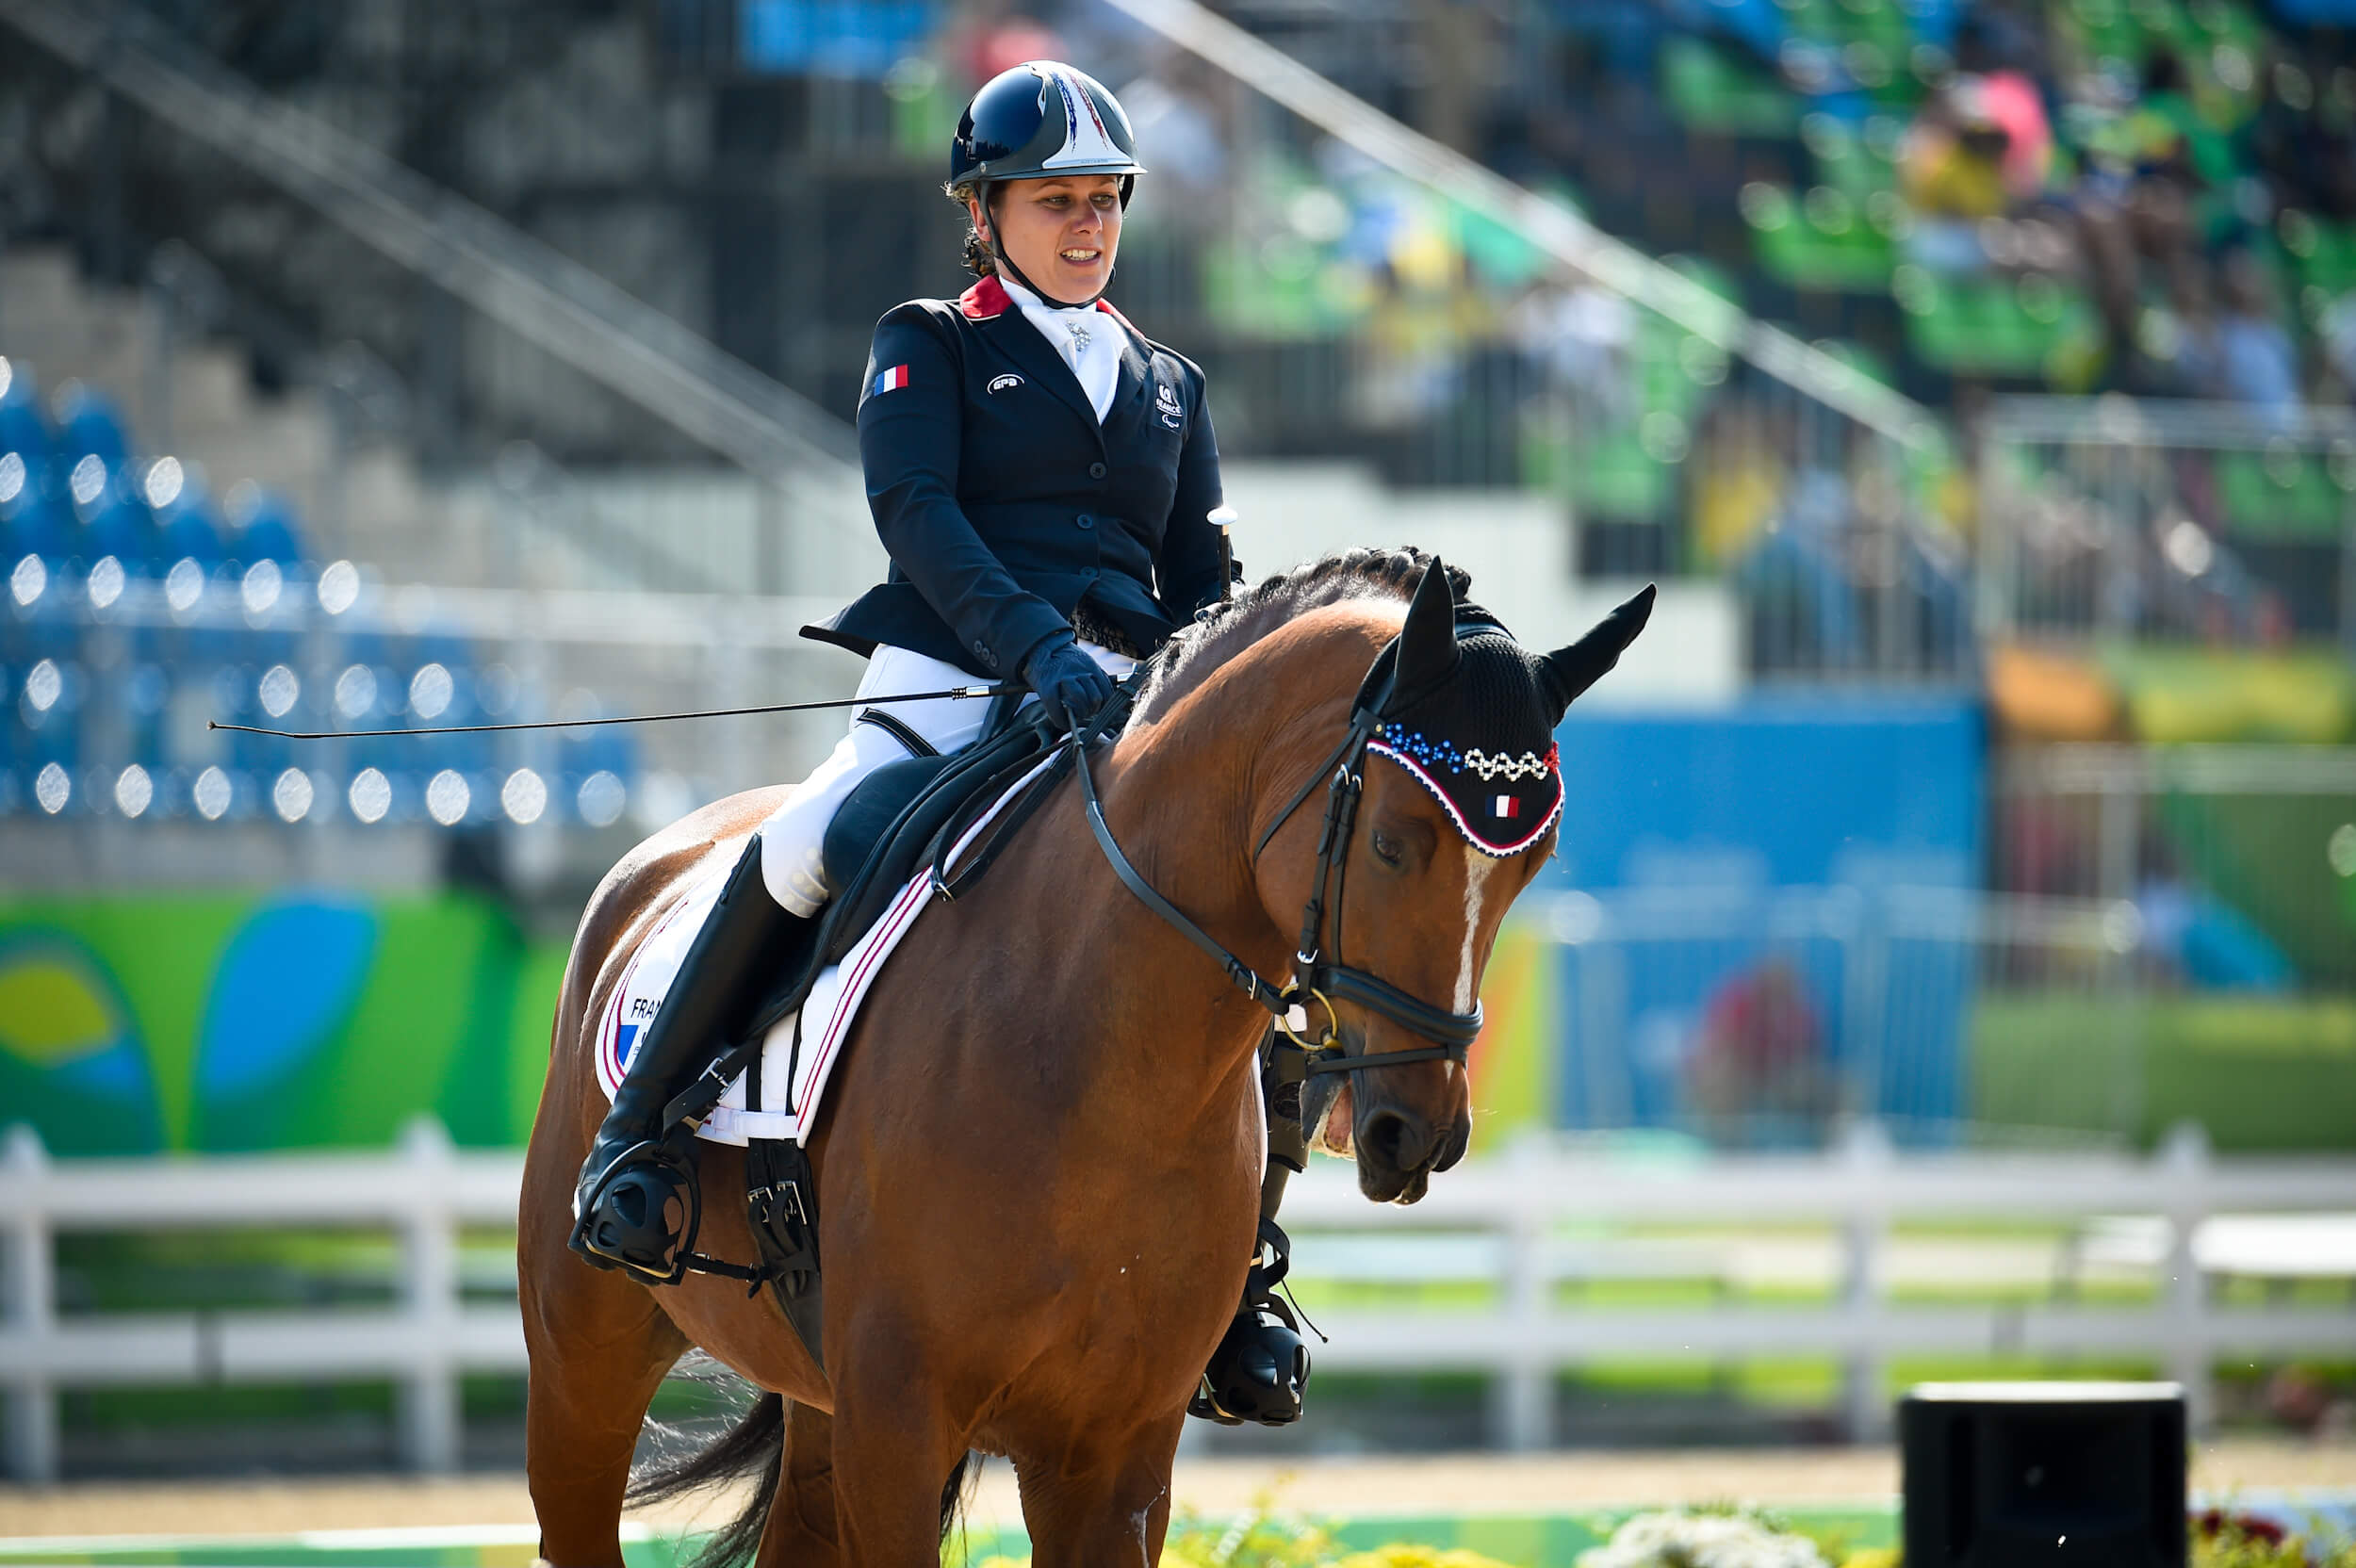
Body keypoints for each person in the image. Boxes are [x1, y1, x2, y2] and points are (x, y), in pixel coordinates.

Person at [569, 60, 1310, 1425]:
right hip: (948, 684)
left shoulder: (1167, 382)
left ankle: (1236, 1272)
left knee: (1251, 936)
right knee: (815, 839)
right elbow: (916, 509)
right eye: (1055, 202)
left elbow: (1202, 562)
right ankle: (644, 1140)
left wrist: (1200, 683)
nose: (1086, 226)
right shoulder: (931, 341)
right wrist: (1033, 649)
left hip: (1121, 707)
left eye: (1105, 202)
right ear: (988, 210)